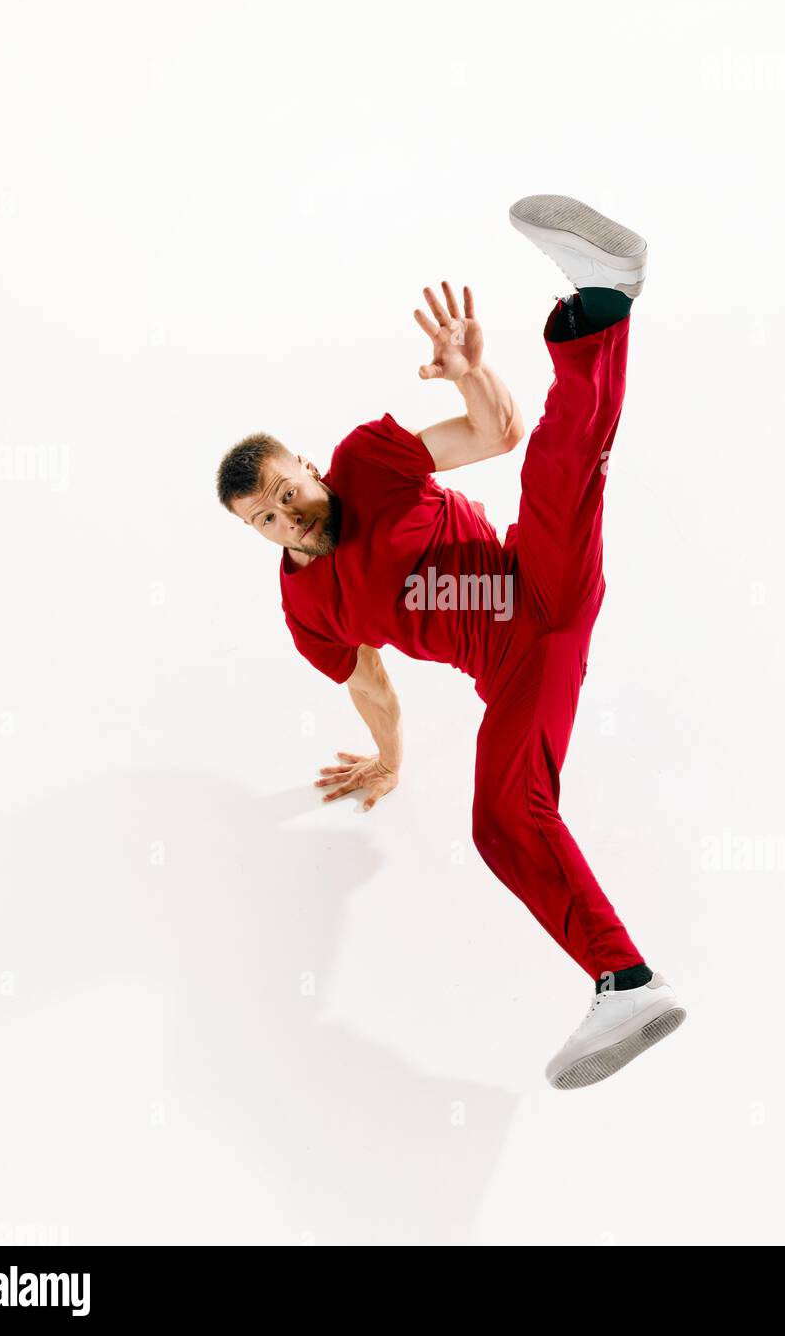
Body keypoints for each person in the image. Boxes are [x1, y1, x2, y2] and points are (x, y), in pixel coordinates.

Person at [217, 195, 686, 1088]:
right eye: (265, 516)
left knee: (558, 457)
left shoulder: (368, 458)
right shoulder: (305, 606)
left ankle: (600, 296)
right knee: (501, 819)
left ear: (309, 467)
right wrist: (388, 759)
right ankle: (624, 979)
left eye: (286, 489)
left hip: (531, 577)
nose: (286, 514)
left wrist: (472, 372)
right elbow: (369, 683)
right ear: (257, 531)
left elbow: (495, 432)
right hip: (517, 667)